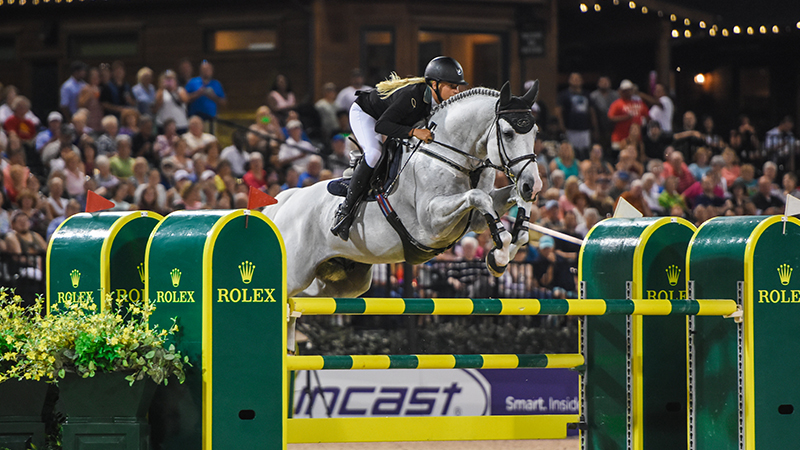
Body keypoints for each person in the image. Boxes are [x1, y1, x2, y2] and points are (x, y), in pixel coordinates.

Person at [330, 56, 467, 241]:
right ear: (435, 84)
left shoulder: (440, 102)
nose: (456, 91)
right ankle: (344, 212)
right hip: (366, 114)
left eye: (458, 87)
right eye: (452, 86)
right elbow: (382, 126)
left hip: (391, 122)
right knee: (374, 153)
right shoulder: (412, 96)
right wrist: (414, 132)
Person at [555, 72, 596, 159]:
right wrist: (561, 126)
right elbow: (558, 111)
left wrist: (594, 126)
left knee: (586, 152)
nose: (575, 81)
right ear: (569, 81)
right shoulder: (564, 95)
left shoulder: (586, 94)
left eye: (578, 79)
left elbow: (591, 111)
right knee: (572, 152)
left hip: (585, 128)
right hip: (570, 128)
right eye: (573, 79)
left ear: (582, 81)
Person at [608, 79, 649, 153]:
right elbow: (610, 118)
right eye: (625, 90)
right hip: (619, 138)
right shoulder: (616, 104)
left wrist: (642, 122)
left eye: (629, 90)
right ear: (621, 91)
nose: (628, 92)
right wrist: (625, 118)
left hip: (636, 140)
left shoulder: (639, 103)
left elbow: (647, 115)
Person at [185, 60, 227, 129]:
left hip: (211, 118)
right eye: (204, 70)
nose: (206, 71)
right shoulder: (192, 82)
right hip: (195, 118)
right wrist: (197, 94)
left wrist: (213, 96)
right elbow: (185, 99)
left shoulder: (216, 84)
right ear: (200, 70)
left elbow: (224, 102)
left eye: (208, 69)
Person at [78, 67, 104, 131]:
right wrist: (89, 95)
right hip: (90, 116)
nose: (96, 79)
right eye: (94, 77)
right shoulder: (85, 88)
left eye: (97, 77)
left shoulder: (101, 89)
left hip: (99, 116)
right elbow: (80, 104)